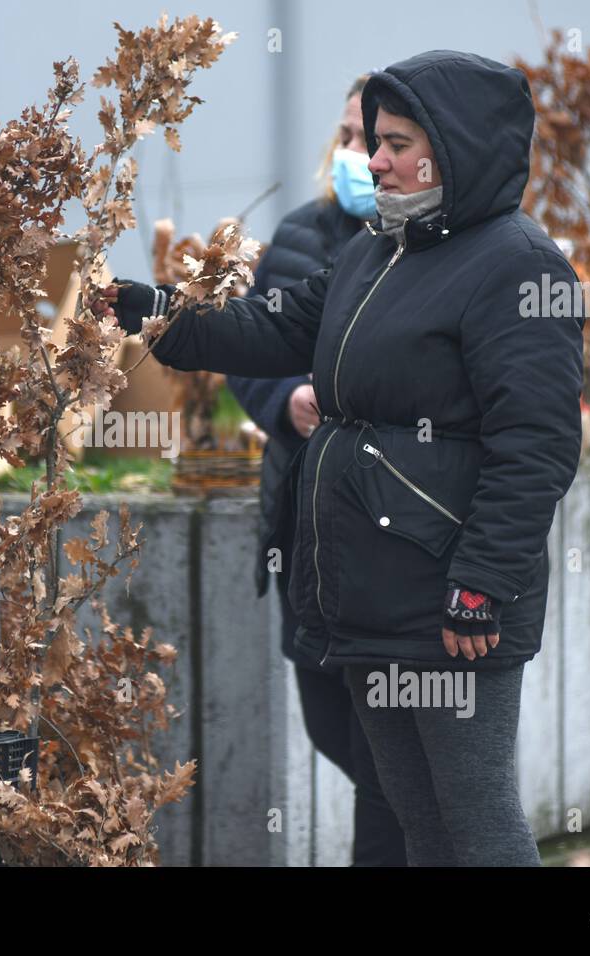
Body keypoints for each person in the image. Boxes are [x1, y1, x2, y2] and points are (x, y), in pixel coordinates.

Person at [92, 50, 584, 866]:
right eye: (372, 142)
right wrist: (161, 316)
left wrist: (480, 586)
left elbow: (536, 445)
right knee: (415, 820)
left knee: (477, 823)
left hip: (451, 602)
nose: (373, 160)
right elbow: (275, 328)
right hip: (366, 589)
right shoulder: (375, 250)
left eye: (394, 143)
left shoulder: (517, 265)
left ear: (452, 148)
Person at [223, 73, 407, 867]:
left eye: (373, 141)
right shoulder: (300, 237)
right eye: (346, 137)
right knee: (331, 726)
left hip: (385, 534)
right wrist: (285, 399)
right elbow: (247, 354)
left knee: (385, 755)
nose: (356, 154)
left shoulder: (423, 252)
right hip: (301, 527)